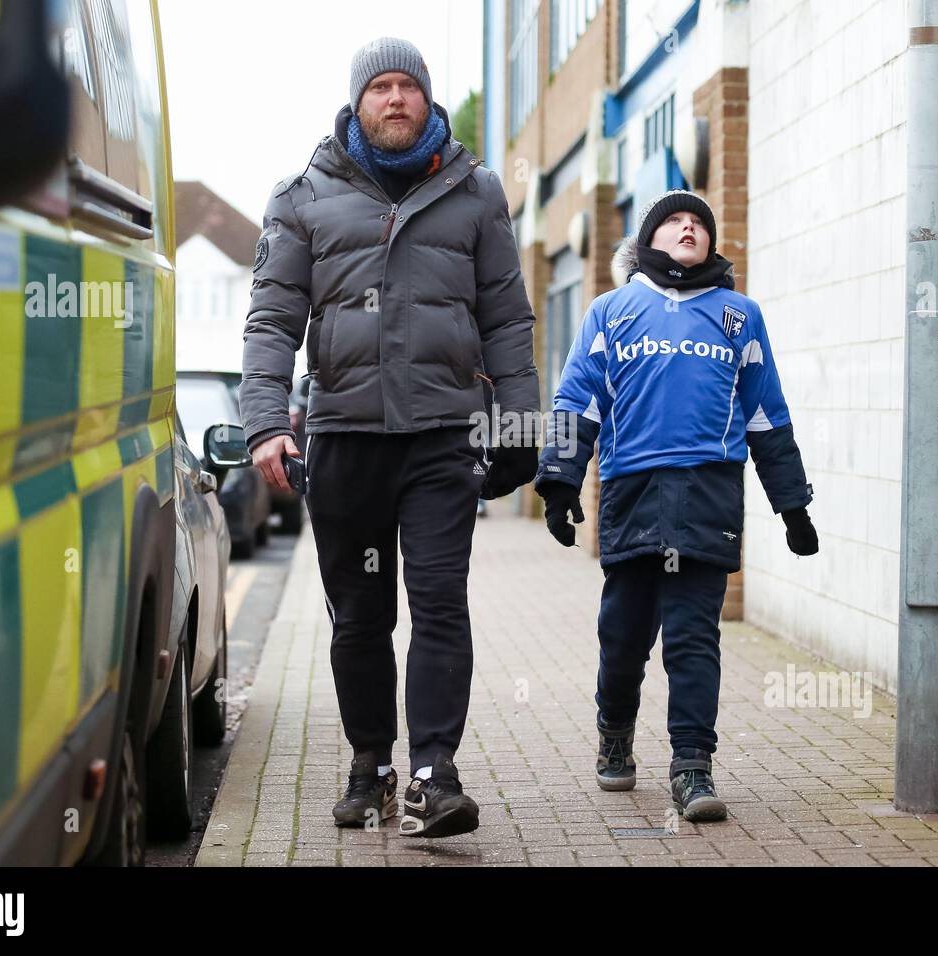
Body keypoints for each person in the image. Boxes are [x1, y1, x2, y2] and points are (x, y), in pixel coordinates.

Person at [240, 37, 539, 838]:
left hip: (442, 437)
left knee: (440, 602)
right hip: (343, 438)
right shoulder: (303, 196)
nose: (397, 99)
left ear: (428, 99)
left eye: (410, 85)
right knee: (360, 616)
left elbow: (507, 317)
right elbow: (271, 320)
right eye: (382, 87)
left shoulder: (475, 192)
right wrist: (267, 424)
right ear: (358, 102)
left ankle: (436, 773)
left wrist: (520, 422)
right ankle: (371, 760)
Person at [534, 189, 818, 821]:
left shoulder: (739, 316)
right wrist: (557, 482)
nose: (689, 228)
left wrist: (792, 504)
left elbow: (767, 413)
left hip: (707, 496)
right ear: (648, 242)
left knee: (693, 639)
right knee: (624, 636)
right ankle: (615, 730)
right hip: (632, 493)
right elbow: (575, 398)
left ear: (711, 242)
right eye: (675, 222)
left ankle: (692, 766)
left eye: (699, 223)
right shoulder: (610, 312)